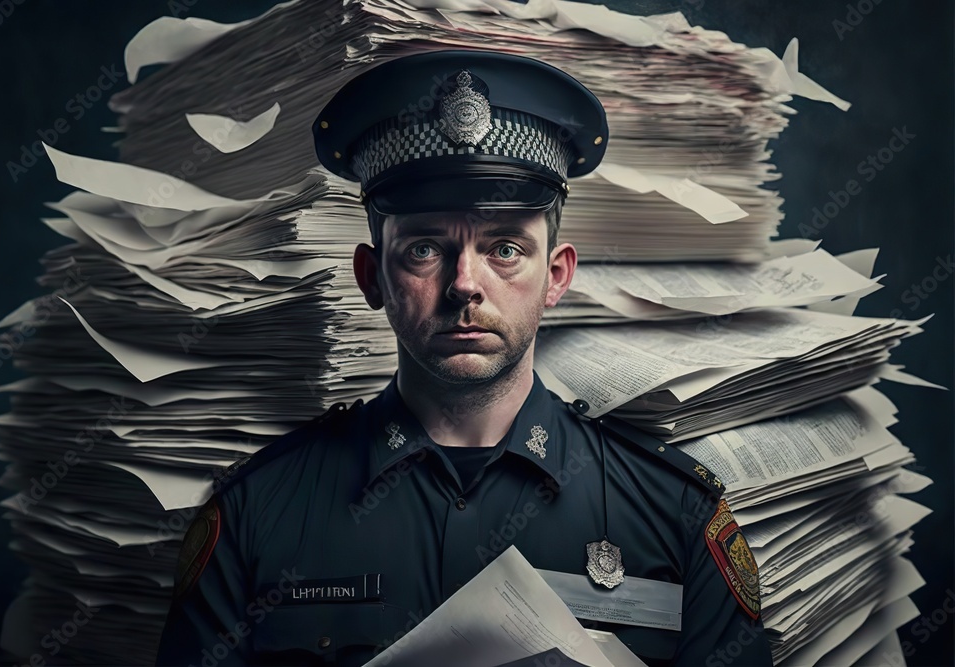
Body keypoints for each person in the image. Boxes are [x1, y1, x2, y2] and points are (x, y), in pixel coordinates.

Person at [155, 49, 773, 667]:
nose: (464, 284)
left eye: (505, 247)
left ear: (556, 276)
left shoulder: (676, 514)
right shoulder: (254, 514)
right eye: (425, 248)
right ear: (371, 277)